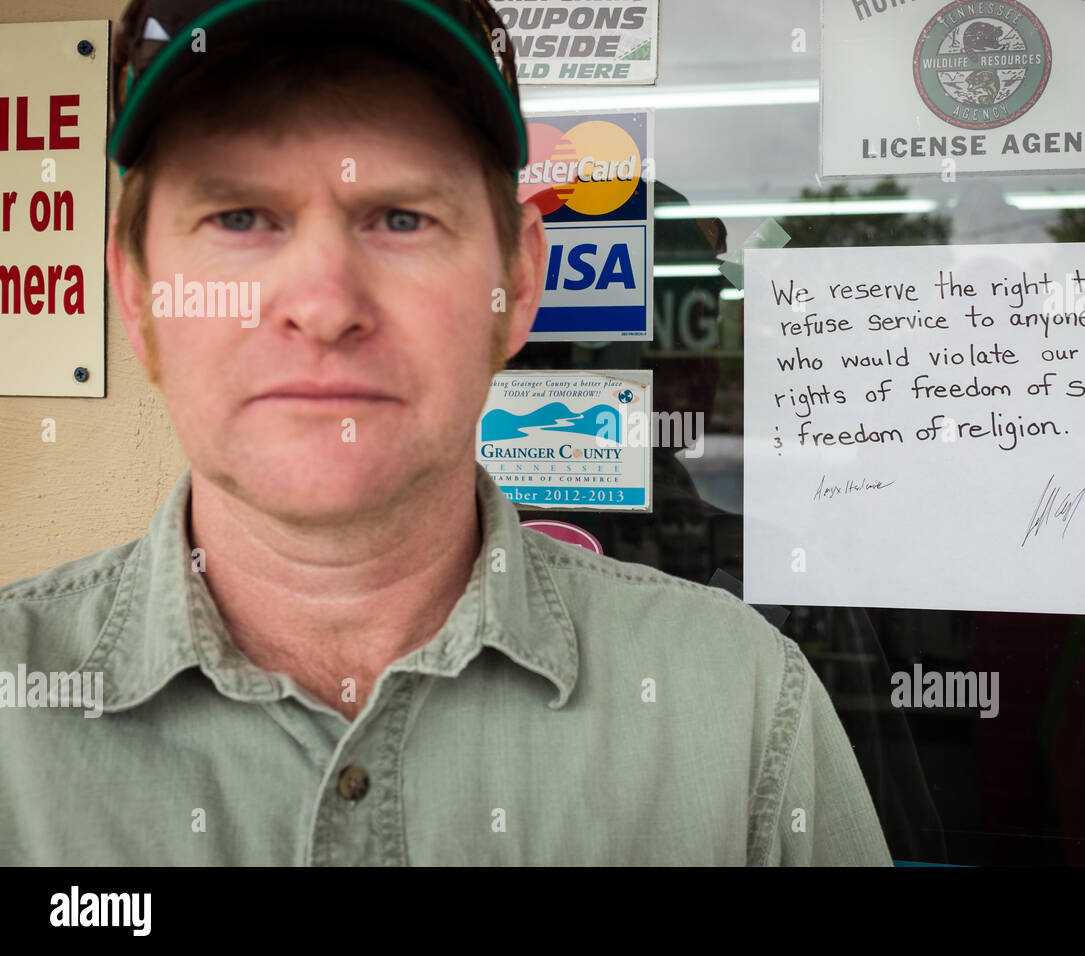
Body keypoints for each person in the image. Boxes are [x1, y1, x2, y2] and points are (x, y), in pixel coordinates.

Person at [0, 0, 892, 865]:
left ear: (518, 284)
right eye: (238, 217)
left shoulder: (742, 710)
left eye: (403, 218)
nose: (325, 305)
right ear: (137, 295)